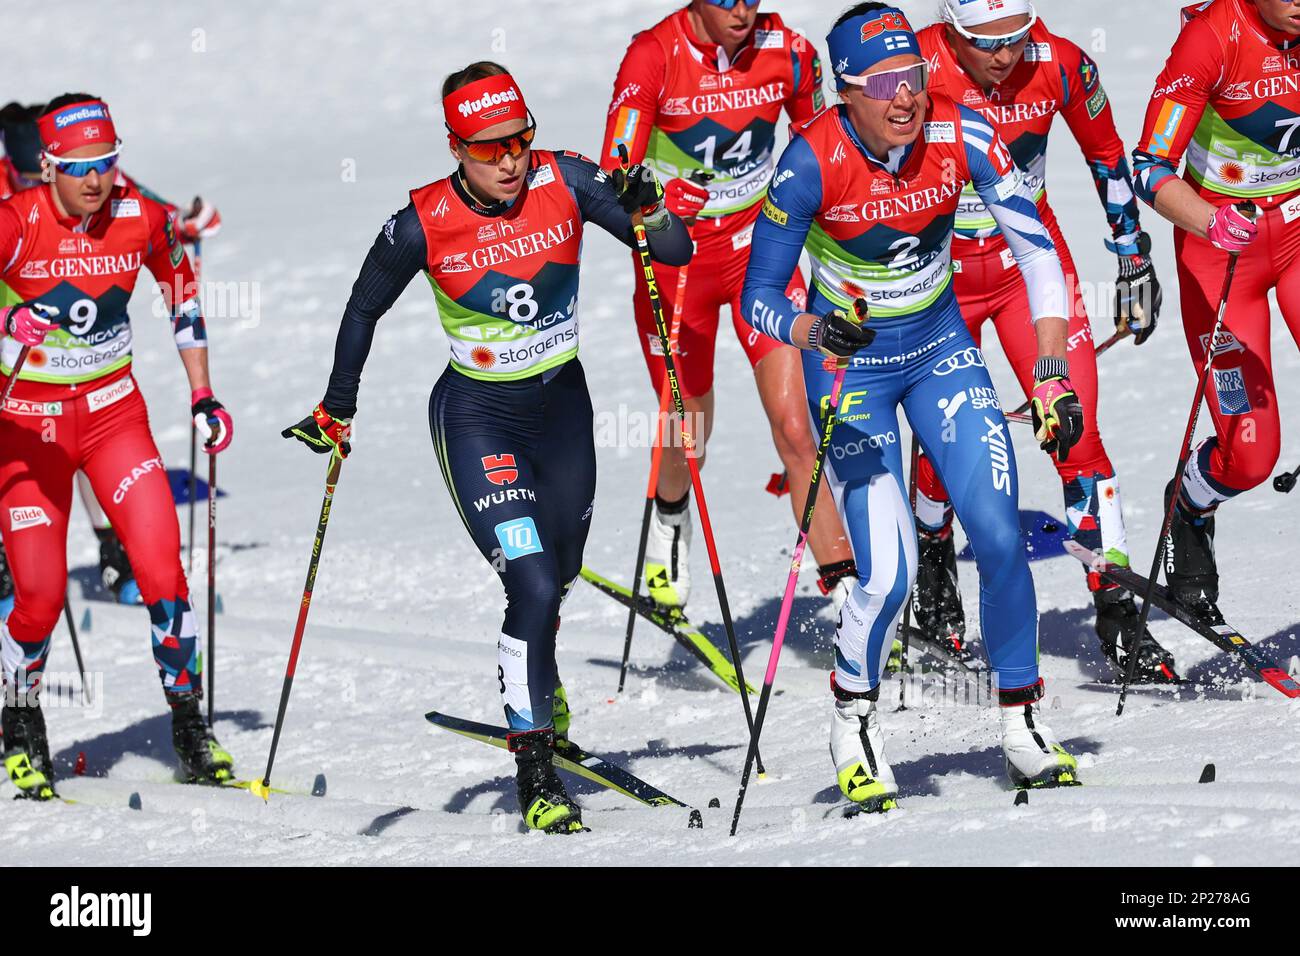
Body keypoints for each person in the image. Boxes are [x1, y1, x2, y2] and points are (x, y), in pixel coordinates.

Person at [284, 63, 692, 834]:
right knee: (532, 585)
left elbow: (670, 253)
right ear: (455, 146)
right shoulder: (421, 220)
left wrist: (652, 208)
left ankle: (542, 676)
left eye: (519, 141)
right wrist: (338, 404)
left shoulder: (566, 181)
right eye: (489, 148)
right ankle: (535, 769)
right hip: (478, 420)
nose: (509, 161)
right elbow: (363, 310)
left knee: (561, 575)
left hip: (563, 412)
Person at [742, 4, 1081, 808]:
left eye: (916, 78)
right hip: (851, 374)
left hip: (939, 351)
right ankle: (853, 717)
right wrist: (811, 326)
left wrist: (1052, 365)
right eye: (886, 84)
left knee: (998, 534)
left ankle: (1021, 722)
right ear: (845, 92)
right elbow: (758, 297)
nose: (907, 99)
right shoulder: (808, 162)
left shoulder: (962, 135)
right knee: (887, 573)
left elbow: (1035, 247)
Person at [907, 1, 1176, 682]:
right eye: (984, 42)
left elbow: (1108, 156)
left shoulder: (1059, 61)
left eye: (1016, 38)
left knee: (1076, 430)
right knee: (950, 440)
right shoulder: (909, 68)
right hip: (935, 277)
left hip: (1030, 267)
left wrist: (1132, 258)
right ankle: (935, 551)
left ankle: (1117, 606)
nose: (1004, 55)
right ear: (950, 30)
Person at [0, 94, 234, 799]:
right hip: (27, 433)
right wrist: (11, 320)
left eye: (106, 163)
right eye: (78, 168)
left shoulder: (139, 218)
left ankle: (190, 726)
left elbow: (182, 294)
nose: (96, 181)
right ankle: (20, 719)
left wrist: (202, 393)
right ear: (47, 167)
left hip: (111, 420)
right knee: (38, 598)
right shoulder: (14, 222)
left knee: (164, 569)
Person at [600, 0, 861, 612]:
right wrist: (651, 198)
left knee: (798, 426)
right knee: (686, 429)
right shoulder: (653, 53)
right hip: (676, 256)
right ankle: (669, 523)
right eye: (726, 0)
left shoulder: (790, 51)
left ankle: (848, 591)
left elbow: (826, 148)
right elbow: (615, 169)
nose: (742, 11)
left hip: (757, 252)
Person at [1, 101, 223, 609]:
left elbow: (142, 212)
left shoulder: (89, 172)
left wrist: (185, 224)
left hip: (65, 340)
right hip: (12, 315)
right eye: (26, 175)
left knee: (81, 437)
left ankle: (112, 551)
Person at [1133, 0, 1300, 624]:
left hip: (1295, 229)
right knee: (1251, 454)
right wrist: (1211, 220)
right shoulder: (1212, 38)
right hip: (1221, 251)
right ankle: (1191, 503)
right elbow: (1148, 167)